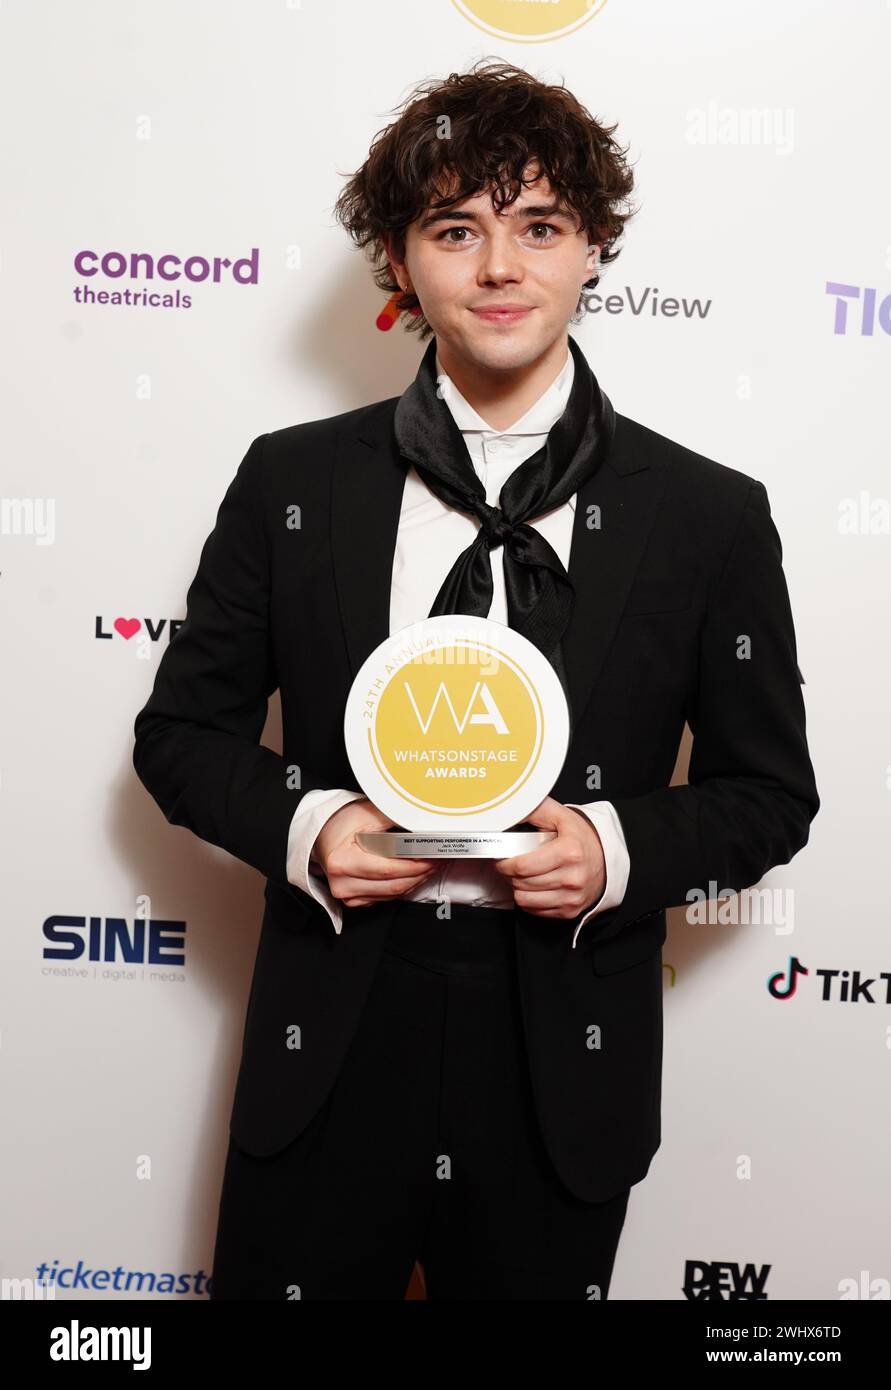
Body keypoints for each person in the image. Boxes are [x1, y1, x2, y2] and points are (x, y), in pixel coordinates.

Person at [132, 60, 819, 1300]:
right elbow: (181, 734)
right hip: (335, 1030)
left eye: (540, 226)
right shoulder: (294, 482)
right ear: (402, 262)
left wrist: (613, 849)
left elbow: (770, 794)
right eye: (457, 229)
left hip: (560, 1046)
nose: (501, 268)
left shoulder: (709, 517)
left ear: (592, 246)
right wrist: (308, 825)